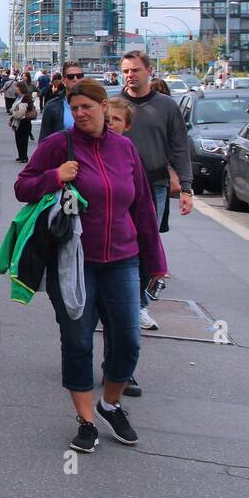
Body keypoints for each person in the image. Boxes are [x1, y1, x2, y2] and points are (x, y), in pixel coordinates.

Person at [15, 79, 166, 453]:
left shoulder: (124, 149)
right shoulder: (58, 145)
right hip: (72, 261)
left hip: (123, 260)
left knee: (128, 341)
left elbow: (143, 208)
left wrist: (156, 260)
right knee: (78, 339)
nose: (80, 114)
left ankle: (109, 403)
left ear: (103, 107)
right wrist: (55, 176)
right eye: (75, 108)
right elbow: (23, 186)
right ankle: (85, 421)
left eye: (87, 107)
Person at [120, 51, 192, 334]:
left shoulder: (166, 106)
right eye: (126, 70)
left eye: (135, 70)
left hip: (154, 184)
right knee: (119, 242)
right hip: (120, 184)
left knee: (145, 244)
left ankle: (137, 305)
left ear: (149, 71)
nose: (130, 75)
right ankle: (118, 302)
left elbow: (179, 147)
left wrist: (186, 187)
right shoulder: (114, 103)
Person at [105, 97, 144, 398]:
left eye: (116, 120)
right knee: (82, 328)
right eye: (107, 118)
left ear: (127, 126)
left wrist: (156, 261)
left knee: (126, 329)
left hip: (124, 253)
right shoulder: (79, 149)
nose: (110, 125)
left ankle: (119, 375)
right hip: (86, 253)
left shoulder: (129, 153)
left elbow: (144, 211)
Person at [39, 61, 85, 141]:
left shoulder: (94, 104)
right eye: (71, 76)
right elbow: (44, 140)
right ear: (64, 80)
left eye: (79, 76)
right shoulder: (52, 107)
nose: (75, 79)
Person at [10, 81, 38, 162]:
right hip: (17, 120)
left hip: (24, 120)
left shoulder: (26, 97)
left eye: (17, 87)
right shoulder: (18, 97)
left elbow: (29, 107)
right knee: (18, 138)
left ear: (21, 88)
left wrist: (22, 108)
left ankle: (24, 157)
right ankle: (20, 155)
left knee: (23, 139)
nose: (15, 88)